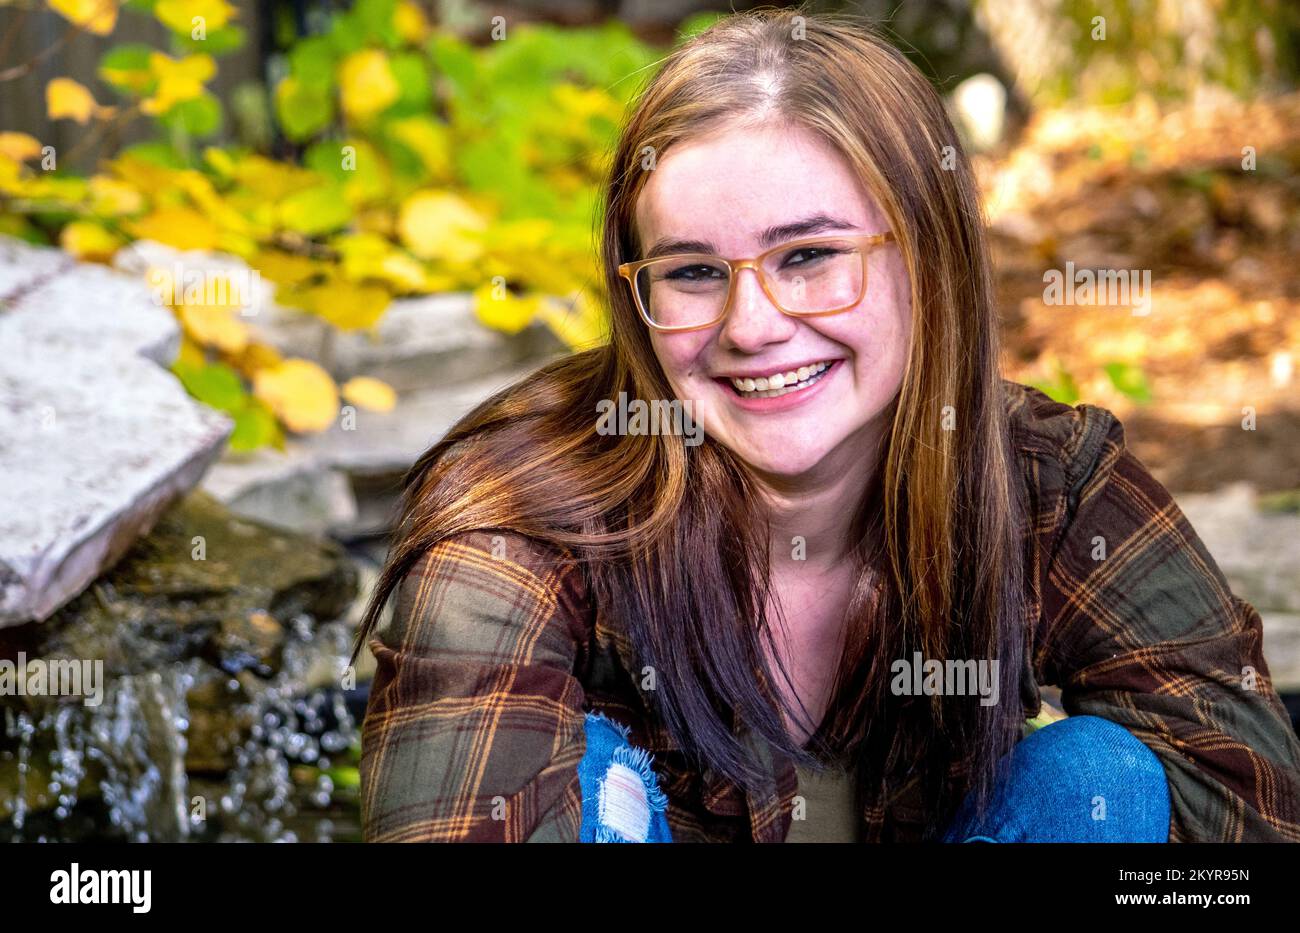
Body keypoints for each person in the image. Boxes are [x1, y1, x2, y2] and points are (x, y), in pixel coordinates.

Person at [352, 9, 1300, 843]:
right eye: (691, 271)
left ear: (928, 258)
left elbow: (1250, 815)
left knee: (1097, 781)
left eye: (808, 254)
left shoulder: (1048, 483)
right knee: (592, 769)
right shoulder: (521, 511)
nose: (752, 326)